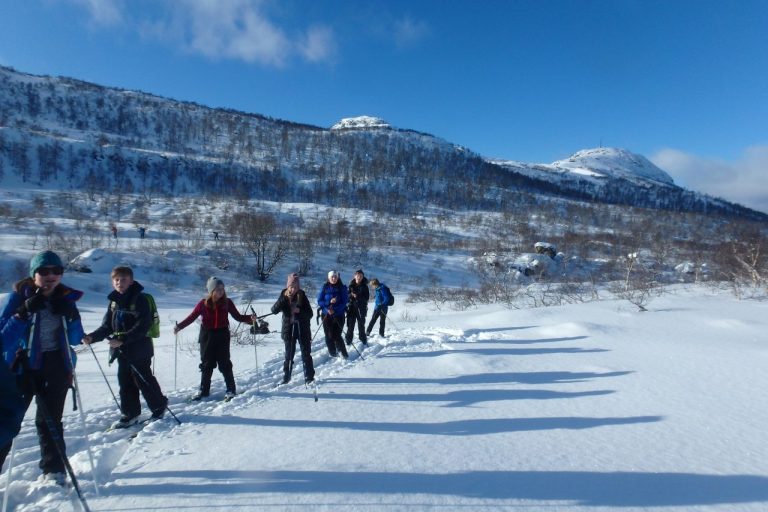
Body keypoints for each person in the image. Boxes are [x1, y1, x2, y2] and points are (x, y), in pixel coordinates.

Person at [0, 250, 84, 484]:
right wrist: (23, 312)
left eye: (56, 271)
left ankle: (54, 470)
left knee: (50, 420)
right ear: (33, 274)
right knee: (8, 420)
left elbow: (76, 337)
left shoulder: (66, 298)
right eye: (44, 271)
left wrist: (71, 316)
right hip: (22, 367)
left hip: (57, 366)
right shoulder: (17, 298)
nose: (51, 276)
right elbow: (3, 340)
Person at [83, 266, 167, 428]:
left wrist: (122, 339)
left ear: (131, 281)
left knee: (143, 380)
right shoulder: (114, 302)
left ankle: (159, 406)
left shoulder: (140, 299)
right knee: (125, 381)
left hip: (140, 348)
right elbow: (107, 326)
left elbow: (143, 325)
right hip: (122, 350)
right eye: (116, 280)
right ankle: (130, 413)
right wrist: (92, 337)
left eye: (123, 279)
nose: (119, 282)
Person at [174, 277, 254, 401]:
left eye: (222, 289)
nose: (221, 291)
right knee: (207, 364)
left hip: (222, 335)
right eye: (218, 289)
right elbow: (191, 317)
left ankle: (231, 390)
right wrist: (179, 326)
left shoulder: (227, 302)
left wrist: (250, 318)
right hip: (207, 336)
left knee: (225, 363)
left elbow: (238, 317)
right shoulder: (203, 304)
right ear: (211, 291)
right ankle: (203, 391)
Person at [271, 273, 315, 384]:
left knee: (306, 353)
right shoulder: (283, 295)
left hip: (302, 329)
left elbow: (310, 314)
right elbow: (274, 310)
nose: (293, 289)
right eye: (291, 286)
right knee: (289, 355)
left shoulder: (302, 296)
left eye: (295, 286)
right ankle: (286, 377)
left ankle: (309, 376)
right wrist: (284, 299)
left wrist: (299, 312)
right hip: (288, 329)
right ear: (288, 286)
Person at [317, 270, 349, 358]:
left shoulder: (342, 287)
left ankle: (343, 353)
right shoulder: (324, 287)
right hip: (326, 314)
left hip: (339, 314)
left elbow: (345, 301)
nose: (334, 278)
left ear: (337, 278)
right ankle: (333, 352)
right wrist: (328, 305)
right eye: (332, 277)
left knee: (337, 334)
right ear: (329, 278)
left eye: (335, 277)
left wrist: (335, 310)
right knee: (328, 334)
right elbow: (319, 301)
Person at [345, 269, 369, 346]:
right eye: (358, 275)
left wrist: (358, 296)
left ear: (362, 277)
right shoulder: (350, 286)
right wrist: (351, 295)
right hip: (351, 308)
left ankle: (363, 339)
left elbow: (366, 298)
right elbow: (346, 297)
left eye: (361, 276)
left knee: (361, 325)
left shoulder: (365, 286)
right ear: (354, 276)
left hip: (361, 308)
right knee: (350, 325)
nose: (359, 277)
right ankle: (348, 340)